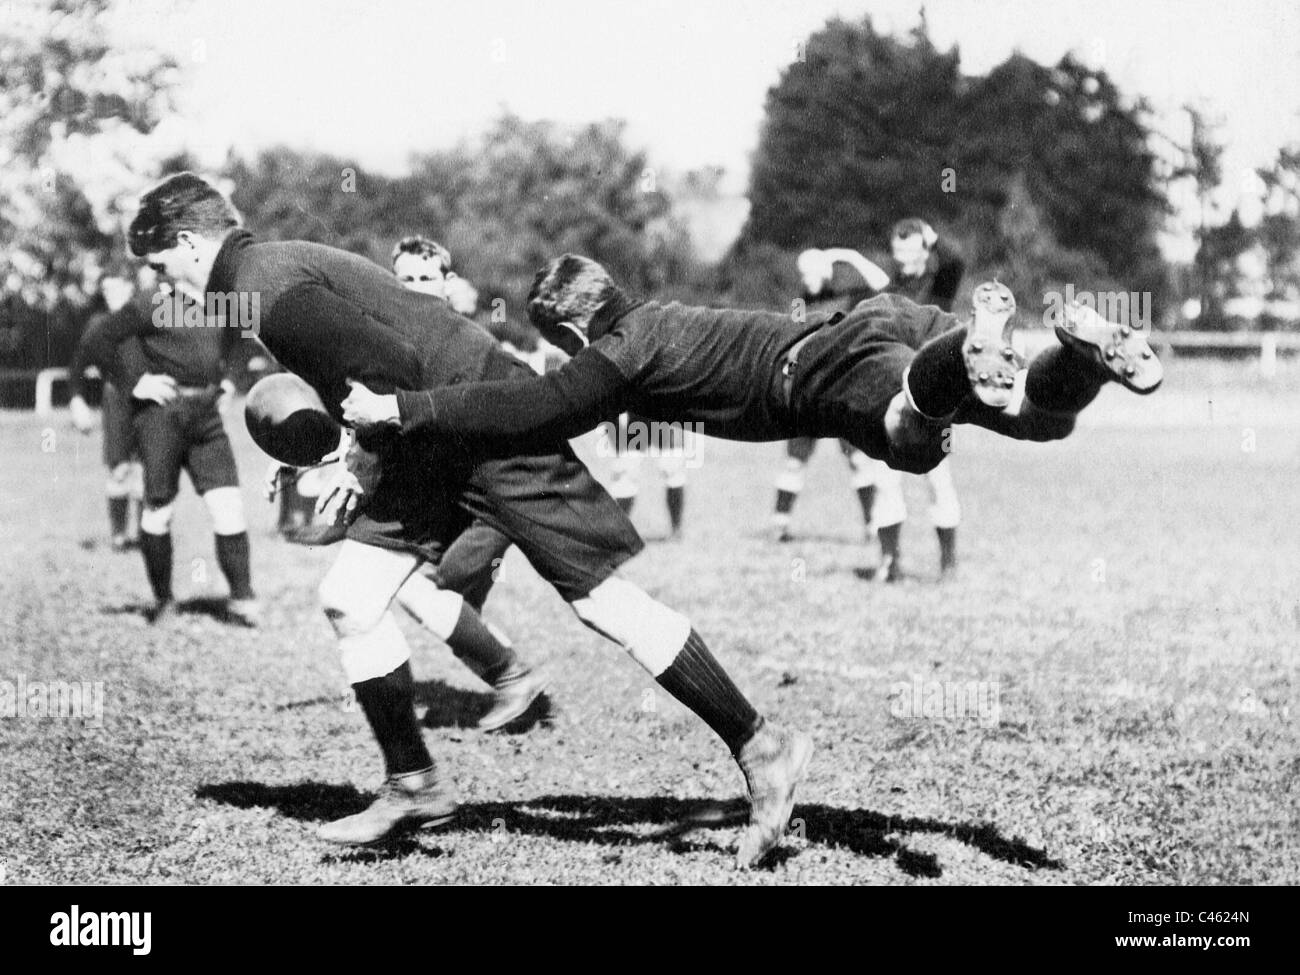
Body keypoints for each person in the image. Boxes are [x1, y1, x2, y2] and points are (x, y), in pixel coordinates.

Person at [128, 173, 810, 869]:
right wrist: (339, 445)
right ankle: (413, 782)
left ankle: (762, 743)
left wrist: (358, 459)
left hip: (483, 416)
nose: (164, 284)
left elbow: (391, 363)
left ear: (188, 242)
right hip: (433, 432)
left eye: (158, 266)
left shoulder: (264, 285)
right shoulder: (260, 276)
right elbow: (370, 369)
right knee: (350, 597)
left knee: (600, 601)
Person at [344, 253, 1161, 514]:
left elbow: (537, 405)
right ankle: (1084, 356)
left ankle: (959, 352)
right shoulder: (659, 314)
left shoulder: (621, 352)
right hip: (874, 324)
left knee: (913, 440)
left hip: (822, 369)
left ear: (567, 330)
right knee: (1041, 418)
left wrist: (401, 408)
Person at [71, 266, 259, 626]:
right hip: (161, 416)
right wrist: (134, 383)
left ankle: (241, 599)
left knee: (228, 505)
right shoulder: (154, 300)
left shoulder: (224, 297)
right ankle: (163, 602)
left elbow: (245, 339)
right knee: (158, 510)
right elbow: (98, 341)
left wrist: (231, 380)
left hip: (206, 416)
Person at [779, 219, 965, 578]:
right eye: (898, 251)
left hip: (932, 397)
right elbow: (856, 290)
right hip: (889, 392)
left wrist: (932, 235)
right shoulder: (891, 286)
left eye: (911, 250)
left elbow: (955, 261)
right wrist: (840, 261)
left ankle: (948, 562)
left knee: (938, 478)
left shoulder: (938, 286)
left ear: (925, 250)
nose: (903, 258)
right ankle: (889, 560)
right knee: (885, 477)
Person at [68, 274, 144, 552]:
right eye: (105, 289)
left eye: (116, 286)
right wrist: (77, 400)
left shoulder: (146, 317)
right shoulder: (98, 325)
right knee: (120, 469)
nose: (110, 292)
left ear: (130, 286)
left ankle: (147, 536)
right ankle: (119, 537)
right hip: (117, 402)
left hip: (151, 401)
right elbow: (77, 365)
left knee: (148, 472)